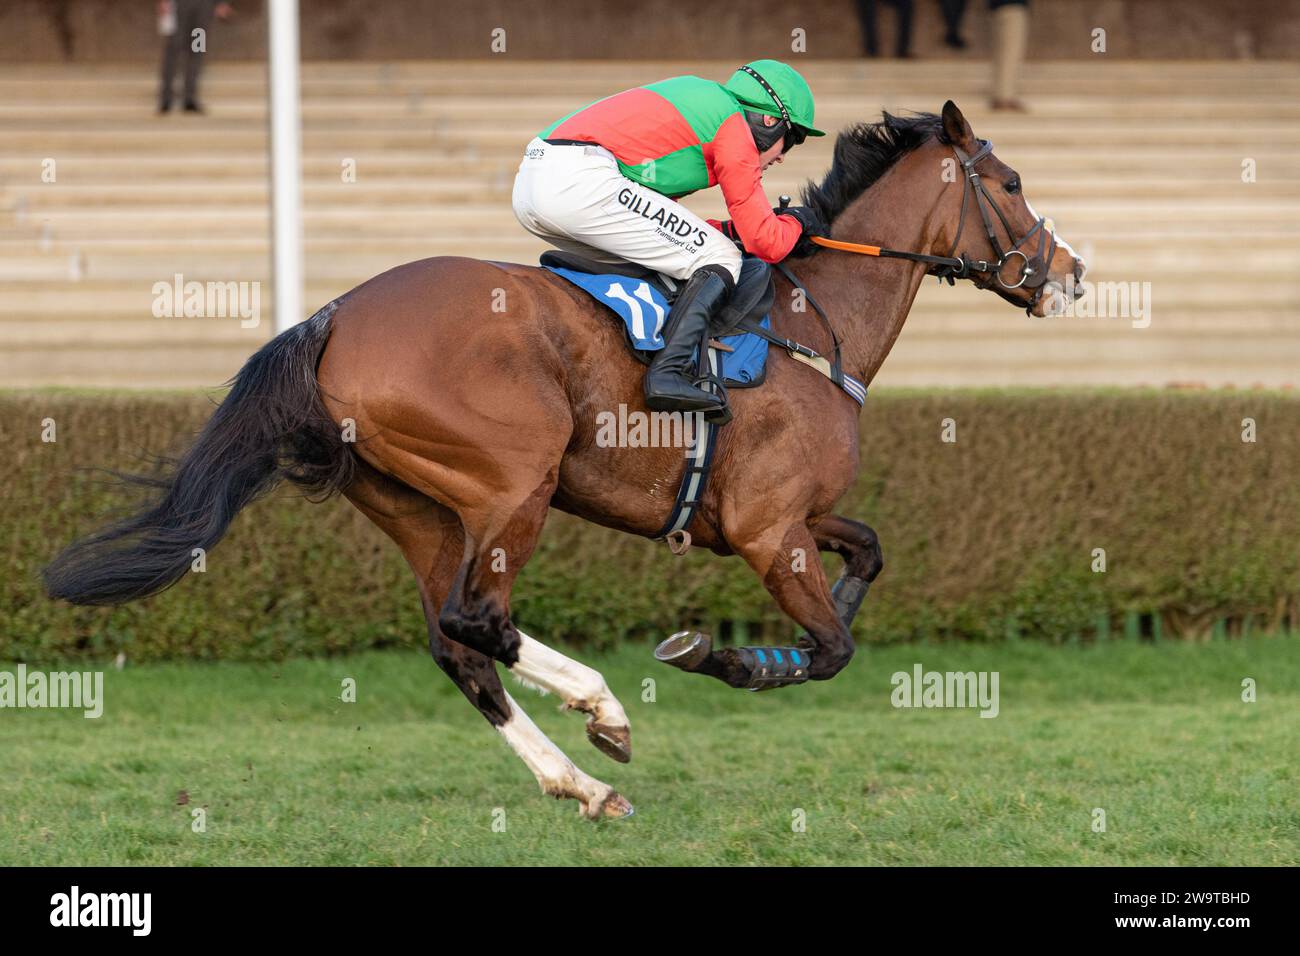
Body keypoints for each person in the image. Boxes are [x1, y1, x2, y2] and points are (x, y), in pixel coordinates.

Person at [512, 60, 828, 418]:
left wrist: (734, 229)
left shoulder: (705, 104)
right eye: (793, 139)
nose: (783, 157)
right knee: (722, 258)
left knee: (688, 253)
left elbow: (660, 221)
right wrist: (796, 222)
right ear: (770, 121)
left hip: (536, 185)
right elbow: (766, 243)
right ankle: (667, 373)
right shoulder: (733, 126)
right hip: (577, 181)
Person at [157, 0, 234, 114]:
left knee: (197, 49)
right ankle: (166, 98)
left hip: (203, 7)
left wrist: (221, 3)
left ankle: (190, 98)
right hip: (178, 5)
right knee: (174, 49)